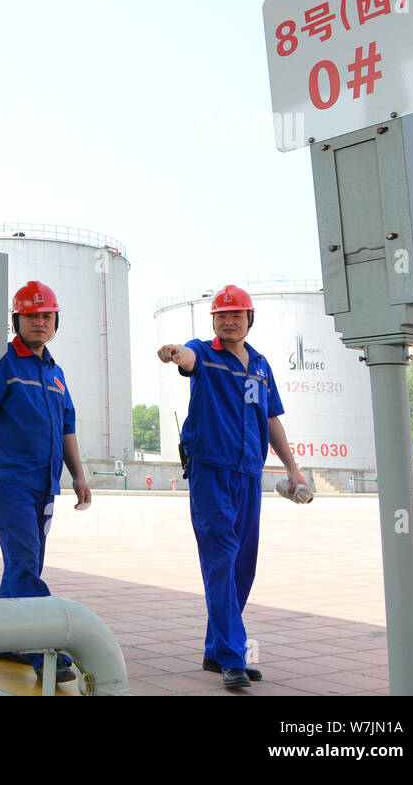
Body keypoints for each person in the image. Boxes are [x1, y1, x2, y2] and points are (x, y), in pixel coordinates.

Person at [158, 284, 308, 690]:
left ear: (249, 319)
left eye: (236, 315)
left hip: (247, 474)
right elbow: (186, 360)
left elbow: (271, 419)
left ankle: (215, 648)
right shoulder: (203, 353)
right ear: (213, 321)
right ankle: (231, 655)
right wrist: (175, 352)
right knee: (221, 559)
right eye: (222, 315)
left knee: (243, 564)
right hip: (211, 471)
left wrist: (292, 469)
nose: (229, 321)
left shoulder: (260, 364)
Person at [0, 280, 92, 684]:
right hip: (9, 482)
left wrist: (78, 476)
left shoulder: (55, 372)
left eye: (46, 316)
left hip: (45, 484)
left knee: (25, 563)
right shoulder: (2, 363)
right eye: (31, 315)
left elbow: (68, 427)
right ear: (16, 320)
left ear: (56, 321)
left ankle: (6, 638)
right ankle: (44, 649)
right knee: (24, 561)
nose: (39, 322)